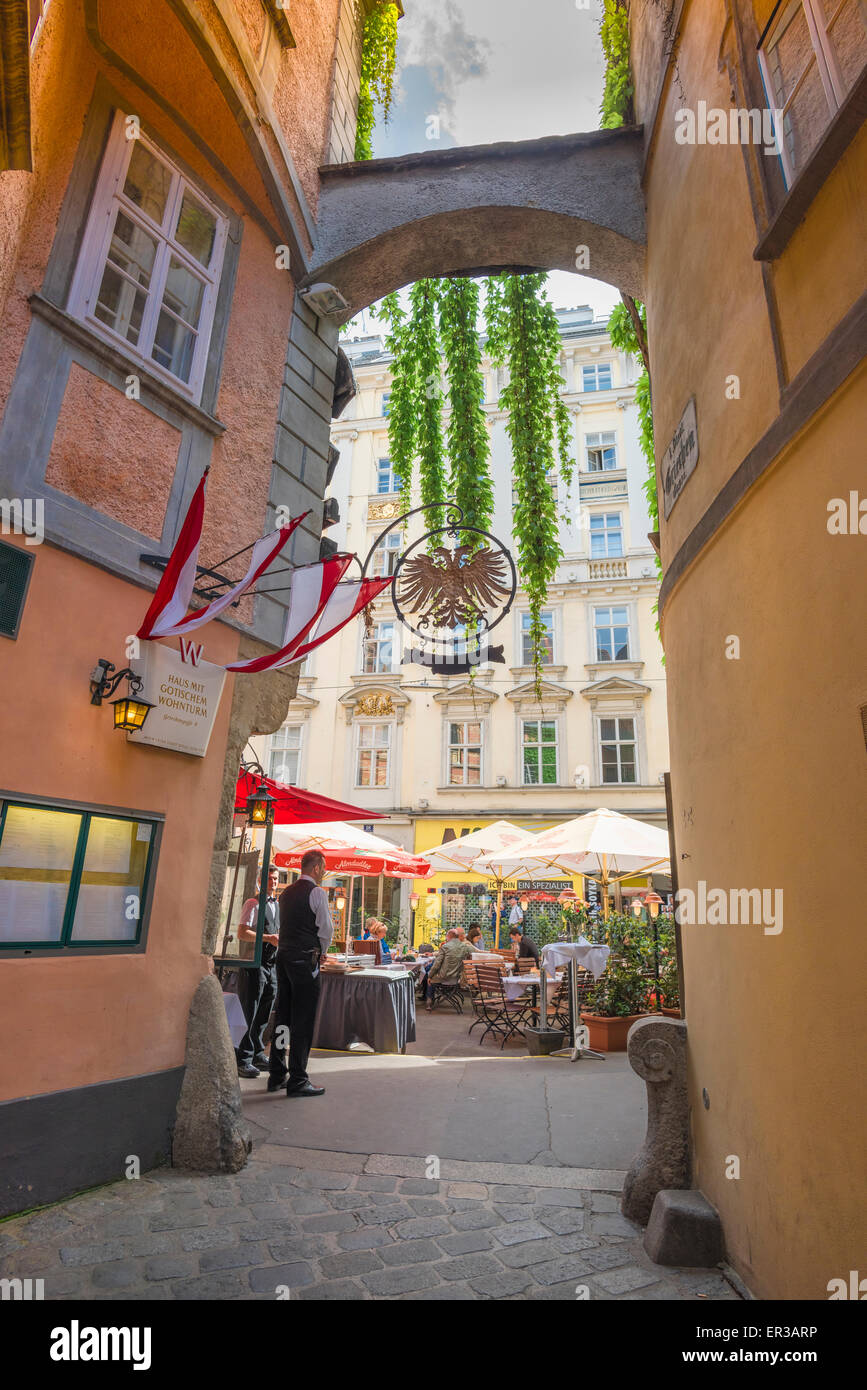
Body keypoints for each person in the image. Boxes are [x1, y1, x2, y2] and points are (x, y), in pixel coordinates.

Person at [268, 850, 332, 1097]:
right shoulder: (316, 893)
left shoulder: (286, 892)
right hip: (305, 959)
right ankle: (298, 1078)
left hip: (283, 957)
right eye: (323, 867)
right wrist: (323, 950)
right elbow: (325, 928)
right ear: (316, 868)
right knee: (303, 1020)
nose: (324, 872)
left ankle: (276, 1073)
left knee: (283, 1016)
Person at [235, 864, 280, 1079]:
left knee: (264, 1010)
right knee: (250, 1011)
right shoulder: (253, 903)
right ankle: (242, 1059)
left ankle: (257, 1052)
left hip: (271, 964)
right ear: (261, 881)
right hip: (254, 962)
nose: (273, 882)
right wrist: (268, 938)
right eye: (270, 879)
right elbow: (242, 932)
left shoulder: (276, 905)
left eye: (276, 879)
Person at [424, 932, 474, 1010]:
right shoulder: (464, 947)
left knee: (429, 976)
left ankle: (429, 1001)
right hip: (456, 979)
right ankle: (429, 998)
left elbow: (437, 964)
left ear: (449, 937)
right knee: (430, 975)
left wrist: (430, 976)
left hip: (444, 977)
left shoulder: (445, 947)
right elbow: (472, 950)